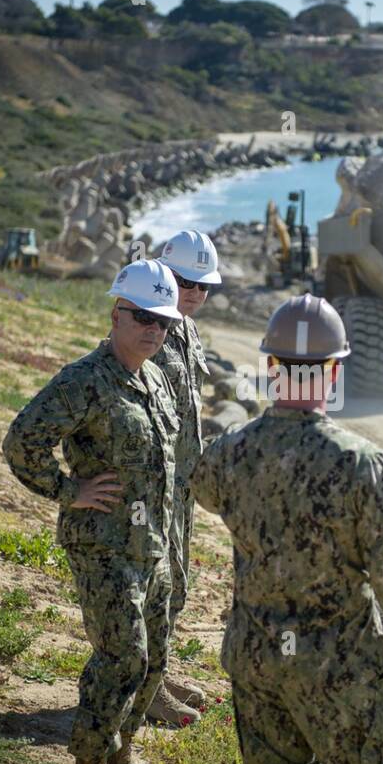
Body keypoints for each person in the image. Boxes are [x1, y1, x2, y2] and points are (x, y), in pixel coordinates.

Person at [191, 294, 383, 764]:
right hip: (340, 670)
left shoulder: (231, 452)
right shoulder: (362, 466)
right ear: (334, 372)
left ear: (270, 367)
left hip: (257, 661)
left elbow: (204, 490)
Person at [3, 259, 182, 764]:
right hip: (102, 546)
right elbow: (22, 441)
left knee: (152, 663)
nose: (153, 329)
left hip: (152, 548)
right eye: (142, 316)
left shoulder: (157, 378)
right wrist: (66, 489)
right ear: (116, 314)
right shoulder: (85, 379)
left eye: (164, 321)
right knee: (121, 656)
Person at [147, 229, 221, 726]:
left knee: (176, 585)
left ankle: (158, 670)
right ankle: (147, 691)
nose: (193, 293)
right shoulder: (146, 325)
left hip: (181, 485)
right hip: (151, 485)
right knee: (155, 586)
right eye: (184, 281)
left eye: (203, 286)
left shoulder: (186, 328)